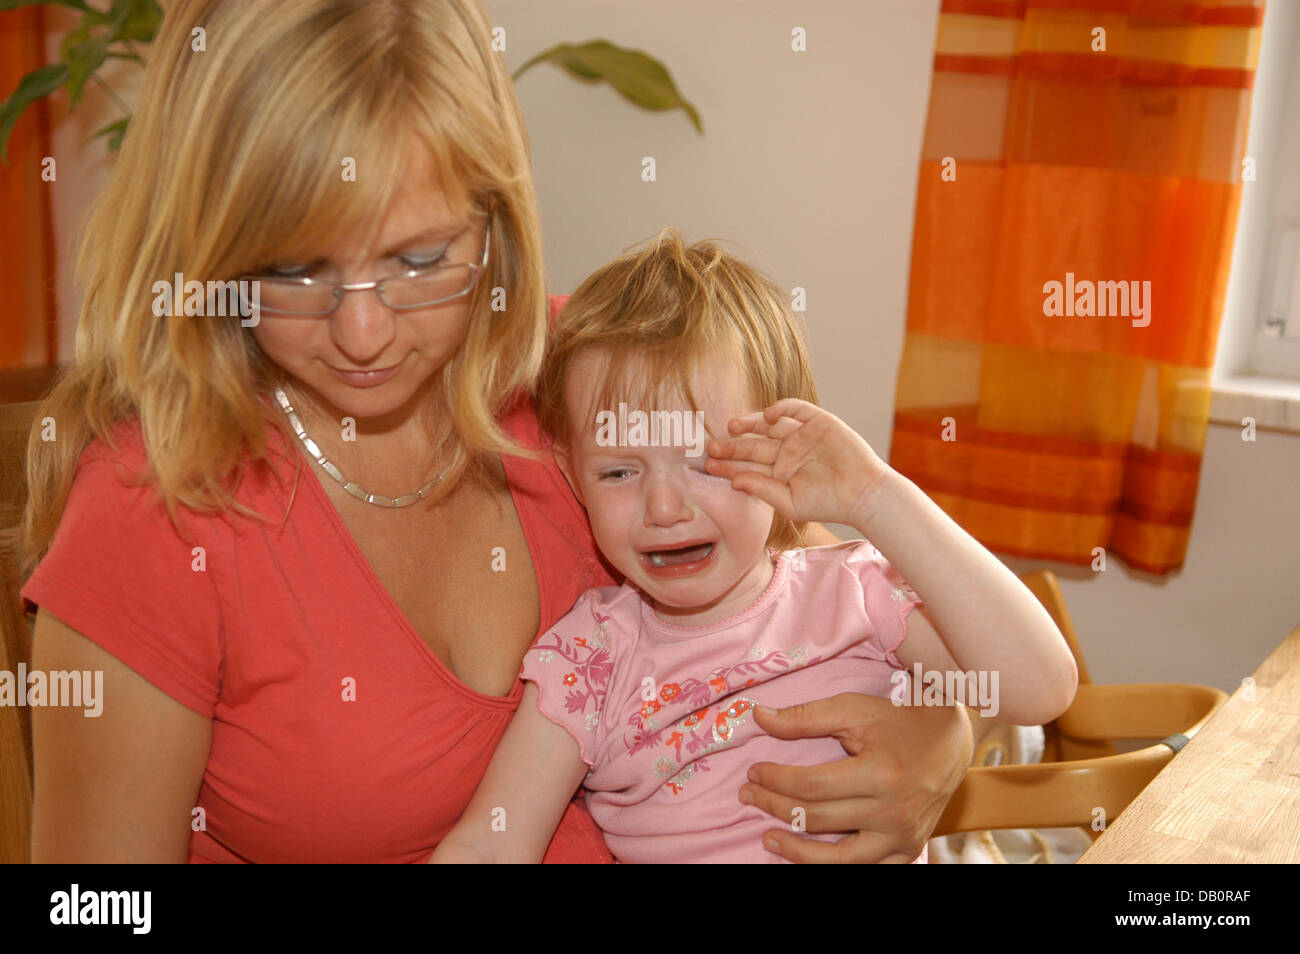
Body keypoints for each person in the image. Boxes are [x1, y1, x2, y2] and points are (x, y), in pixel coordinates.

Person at [20, 0, 974, 864]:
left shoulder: (586, 381)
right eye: (295, 267)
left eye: (420, 257)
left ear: (497, 219)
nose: (363, 332)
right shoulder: (157, 507)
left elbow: (812, 592)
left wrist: (939, 741)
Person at [429, 233, 1079, 864]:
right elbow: (492, 843)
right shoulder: (587, 660)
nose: (663, 508)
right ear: (572, 475)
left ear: (781, 453)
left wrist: (878, 500)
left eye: (706, 464)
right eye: (619, 473)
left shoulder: (853, 591)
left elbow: (1039, 690)